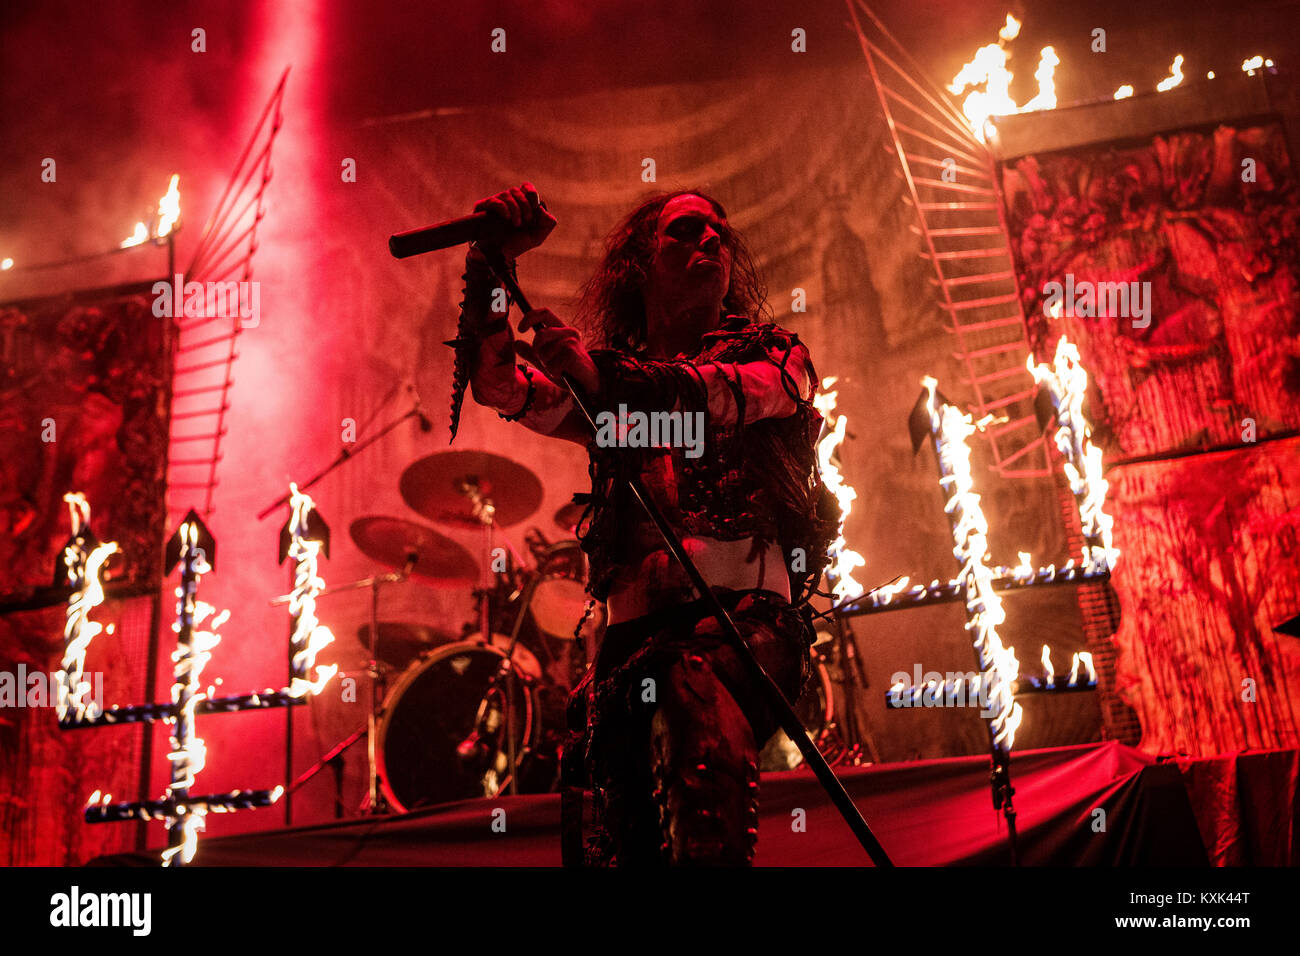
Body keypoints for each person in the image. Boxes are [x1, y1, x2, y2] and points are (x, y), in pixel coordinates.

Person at [452, 183, 838, 865]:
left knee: (695, 698)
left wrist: (603, 380)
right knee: (626, 847)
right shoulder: (605, 389)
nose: (711, 240)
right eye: (686, 232)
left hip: (746, 625)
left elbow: (708, 400)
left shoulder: (777, 358)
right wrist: (491, 265)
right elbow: (502, 386)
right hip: (628, 644)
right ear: (639, 264)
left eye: (719, 231)